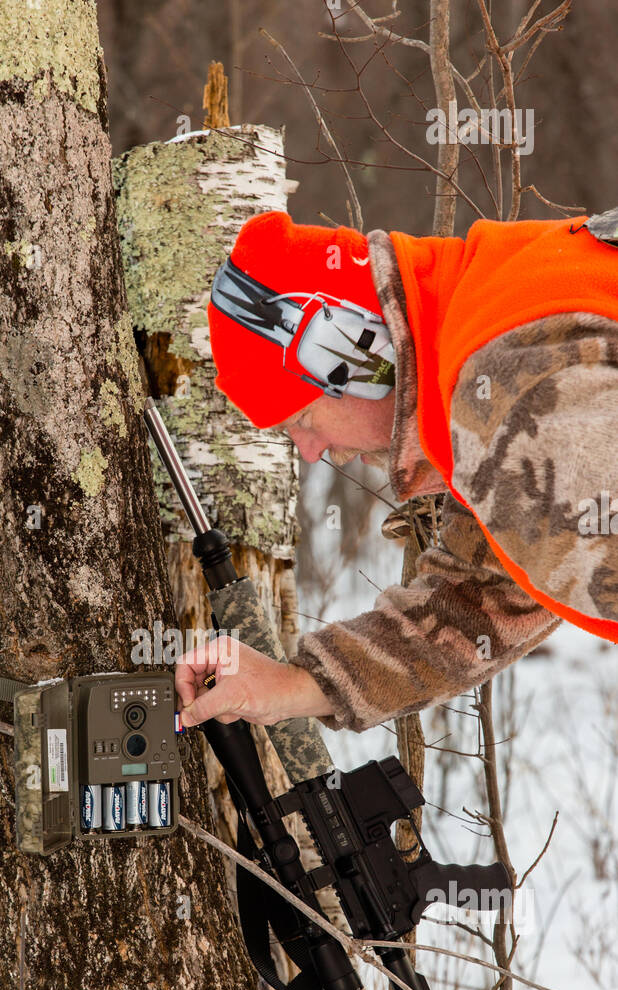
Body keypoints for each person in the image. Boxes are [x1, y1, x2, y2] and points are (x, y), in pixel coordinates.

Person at [174, 207, 618, 732]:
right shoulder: (497, 299)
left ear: (354, 355)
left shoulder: (509, 392)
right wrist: (300, 686)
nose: (313, 451)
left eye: (303, 418)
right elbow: (482, 594)